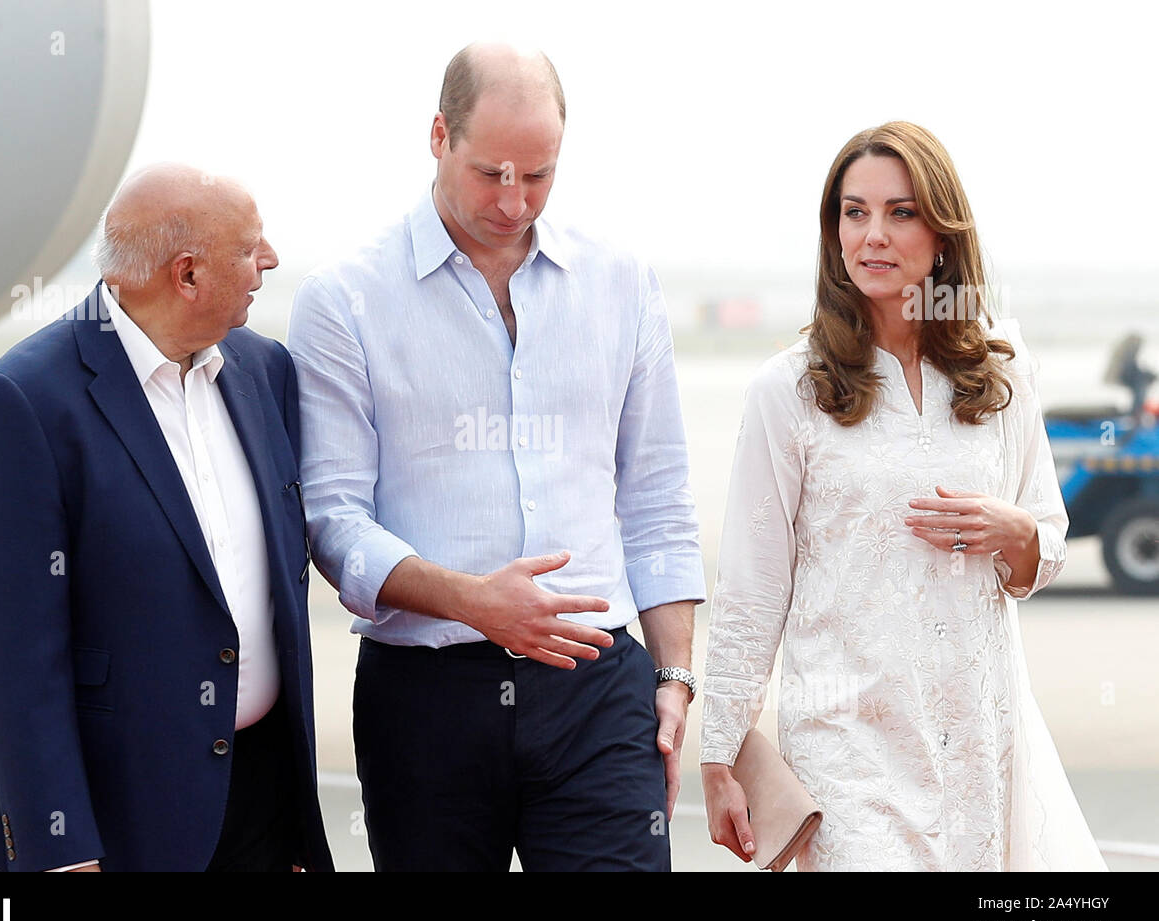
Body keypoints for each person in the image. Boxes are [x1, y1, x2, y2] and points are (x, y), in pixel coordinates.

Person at [287, 42, 705, 871]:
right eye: (491, 173)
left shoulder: (621, 282)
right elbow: (333, 521)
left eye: (538, 174)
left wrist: (674, 675)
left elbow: (657, 497)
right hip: (427, 700)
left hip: (599, 686)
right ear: (438, 135)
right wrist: (474, 600)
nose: (514, 201)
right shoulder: (344, 301)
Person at [699, 121, 1107, 871]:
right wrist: (720, 751)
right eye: (854, 212)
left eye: (900, 212)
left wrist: (1012, 530)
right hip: (844, 745)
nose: (872, 235)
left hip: (977, 742)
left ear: (943, 234)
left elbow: (1044, 540)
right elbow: (751, 587)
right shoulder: (789, 389)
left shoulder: (1002, 376)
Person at [0, 163, 333, 872]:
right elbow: (13, 657)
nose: (270, 261)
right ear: (187, 275)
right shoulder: (24, 400)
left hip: (259, 810)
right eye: (250, 248)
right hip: (119, 822)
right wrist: (60, 850)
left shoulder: (264, 371)